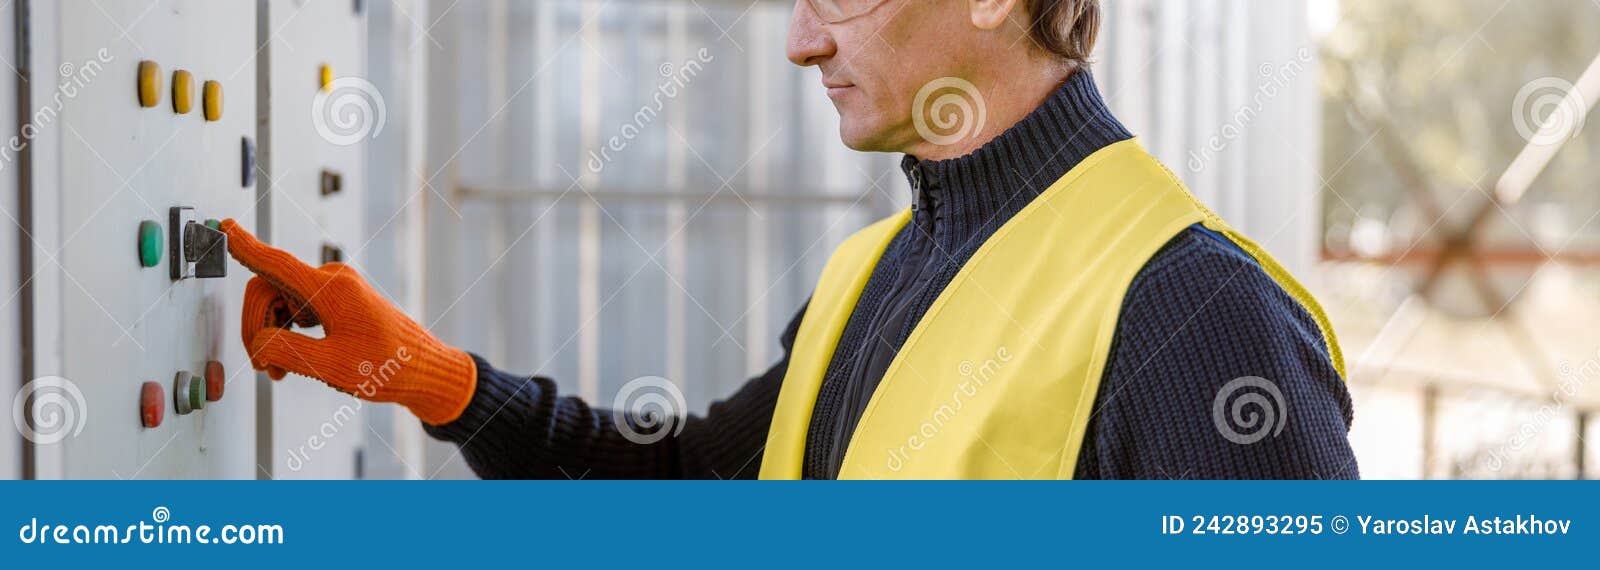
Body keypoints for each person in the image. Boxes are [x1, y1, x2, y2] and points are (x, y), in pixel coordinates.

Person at [220, 0, 1357, 479]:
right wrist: (435, 381)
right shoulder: (875, 273)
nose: (800, 42)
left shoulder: (1193, 312)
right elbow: (693, 482)